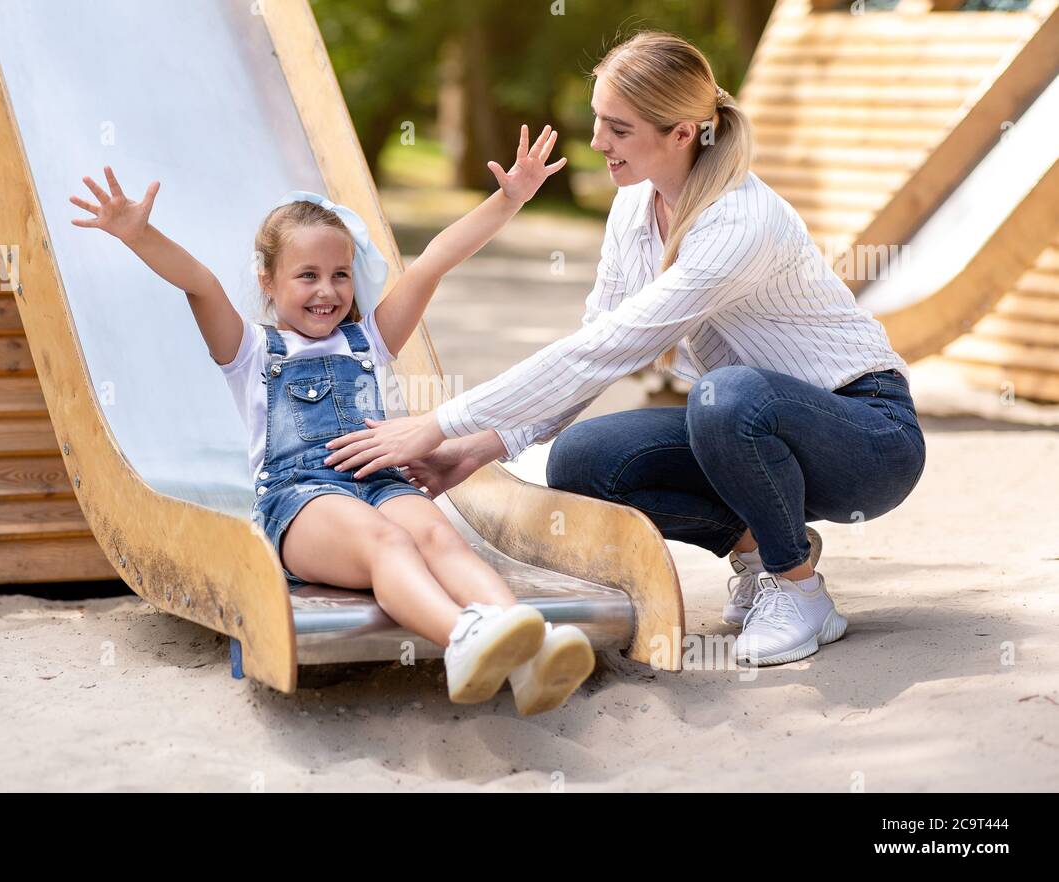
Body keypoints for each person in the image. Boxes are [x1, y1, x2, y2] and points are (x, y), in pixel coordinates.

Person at [322, 31, 927, 668]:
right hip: (761, 433)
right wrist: (476, 449)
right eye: (597, 122)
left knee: (728, 395)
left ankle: (800, 590)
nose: (598, 143)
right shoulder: (634, 206)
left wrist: (437, 423)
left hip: (867, 440)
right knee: (582, 462)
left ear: (682, 133)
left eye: (619, 128)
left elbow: (606, 350)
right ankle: (758, 543)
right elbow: (591, 350)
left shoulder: (739, 221)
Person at [68, 126, 597, 713]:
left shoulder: (367, 339)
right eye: (307, 276)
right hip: (301, 502)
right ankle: (462, 638)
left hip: (379, 481)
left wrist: (510, 197)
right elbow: (200, 284)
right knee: (389, 542)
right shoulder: (250, 350)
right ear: (268, 282)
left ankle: (525, 643)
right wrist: (141, 235)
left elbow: (434, 263)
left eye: (340, 275)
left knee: (436, 535)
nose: (327, 291)